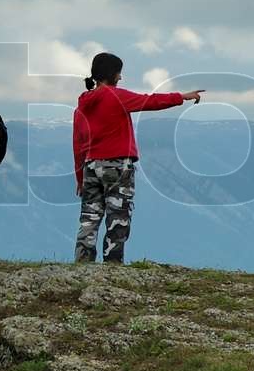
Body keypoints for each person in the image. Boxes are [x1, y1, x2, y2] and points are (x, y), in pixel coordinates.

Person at [73, 52, 204, 264]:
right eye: (119, 73)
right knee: (118, 218)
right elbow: (149, 101)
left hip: (90, 166)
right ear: (112, 74)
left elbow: (78, 146)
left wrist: (80, 177)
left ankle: (82, 263)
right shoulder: (116, 96)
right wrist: (182, 97)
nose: (121, 77)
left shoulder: (81, 107)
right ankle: (112, 265)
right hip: (117, 166)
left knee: (89, 217)